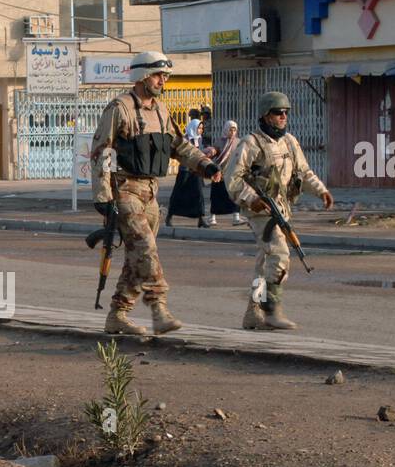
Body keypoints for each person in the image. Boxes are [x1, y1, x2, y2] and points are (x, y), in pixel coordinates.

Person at [89, 51, 220, 336]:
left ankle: (118, 314)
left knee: (138, 256)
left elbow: (179, 147)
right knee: (147, 251)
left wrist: (205, 165)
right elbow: (102, 152)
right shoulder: (119, 108)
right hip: (125, 191)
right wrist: (103, 195)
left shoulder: (161, 111)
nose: (163, 81)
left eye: (165, 76)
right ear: (142, 76)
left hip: (150, 192)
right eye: (159, 75)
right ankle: (159, 308)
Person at [224, 91, 334, 330]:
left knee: (264, 261)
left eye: (286, 113)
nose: (283, 117)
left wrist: (321, 191)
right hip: (260, 211)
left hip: (282, 209)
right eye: (277, 113)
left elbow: (304, 173)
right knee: (280, 254)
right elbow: (232, 179)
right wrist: (251, 199)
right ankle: (272, 309)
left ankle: (253, 311)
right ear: (265, 115)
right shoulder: (250, 143)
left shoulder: (289, 142)